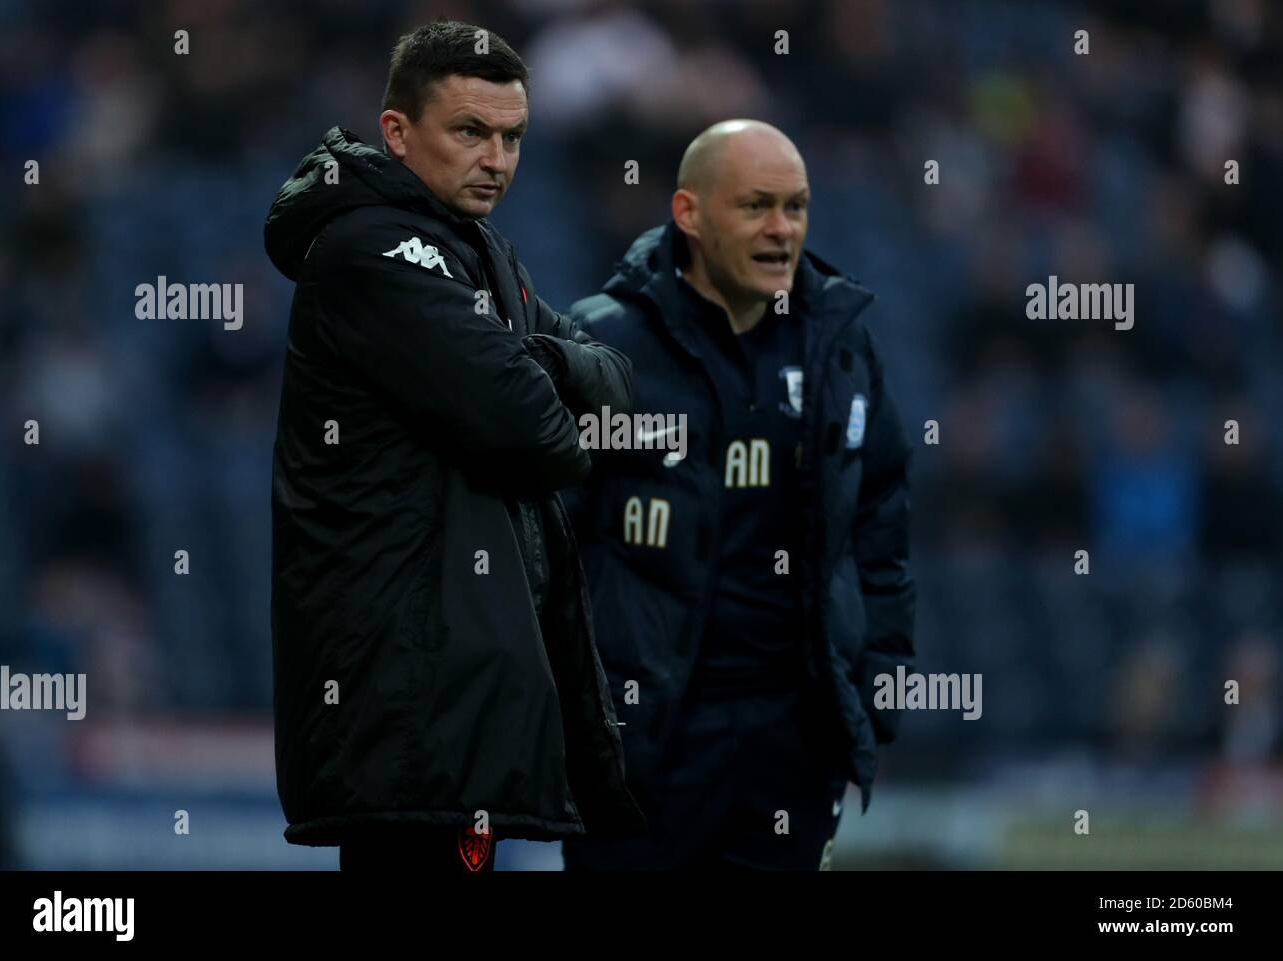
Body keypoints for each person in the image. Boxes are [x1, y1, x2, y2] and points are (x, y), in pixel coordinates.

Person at [265, 19, 644, 873]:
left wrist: (535, 359)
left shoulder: (481, 255)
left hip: (461, 701)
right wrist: (546, 373)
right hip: (407, 701)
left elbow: (620, 387)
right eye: (470, 132)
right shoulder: (373, 251)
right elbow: (538, 429)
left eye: (512, 138)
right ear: (398, 133)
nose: (497, 160)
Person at [561, 120, 915, 870]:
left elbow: (882, 521)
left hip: (790, 747)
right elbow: (542, 541)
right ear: (688, 214)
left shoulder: (838, 348)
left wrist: (873, 684)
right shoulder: (604, 348)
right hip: (644, 749)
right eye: (756, 206)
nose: (781, 230)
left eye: (796, 207)